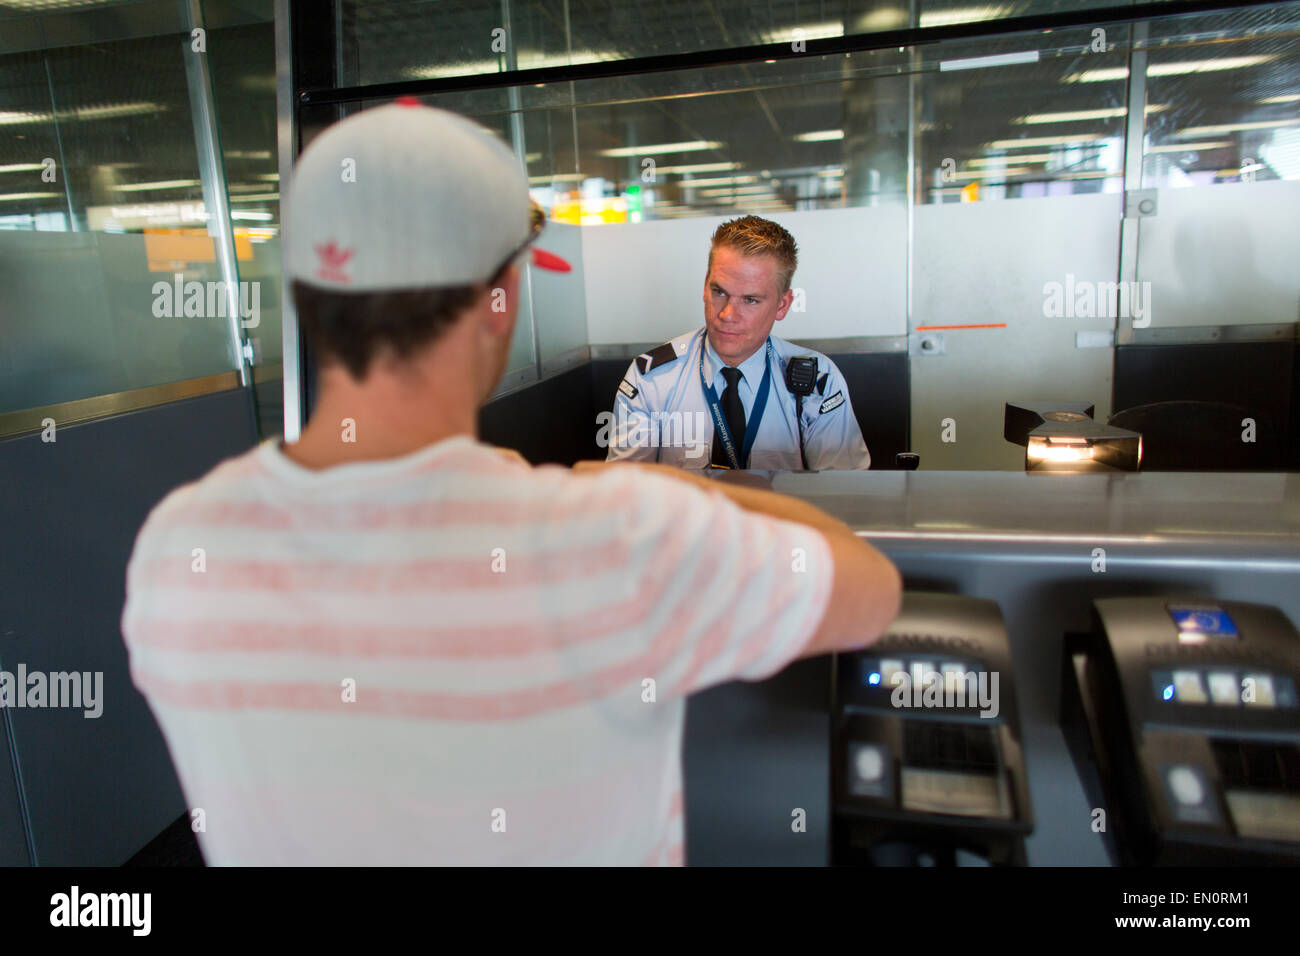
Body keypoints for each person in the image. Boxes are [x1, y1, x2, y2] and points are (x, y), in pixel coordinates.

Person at [120, 100, 901, 865]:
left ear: (304, 294)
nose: (729, 311)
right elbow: (871, 590)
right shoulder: (616, 535)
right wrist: (685, 491)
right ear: (500, 304)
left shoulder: (176, 550)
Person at [604, 216, 872, 471]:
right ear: (704, 286)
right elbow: (626, 496)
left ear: (783, 305)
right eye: (719, 292)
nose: (727, 315)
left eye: (750, 300)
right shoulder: (651, 378)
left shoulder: (818, 382)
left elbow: (841, 494)